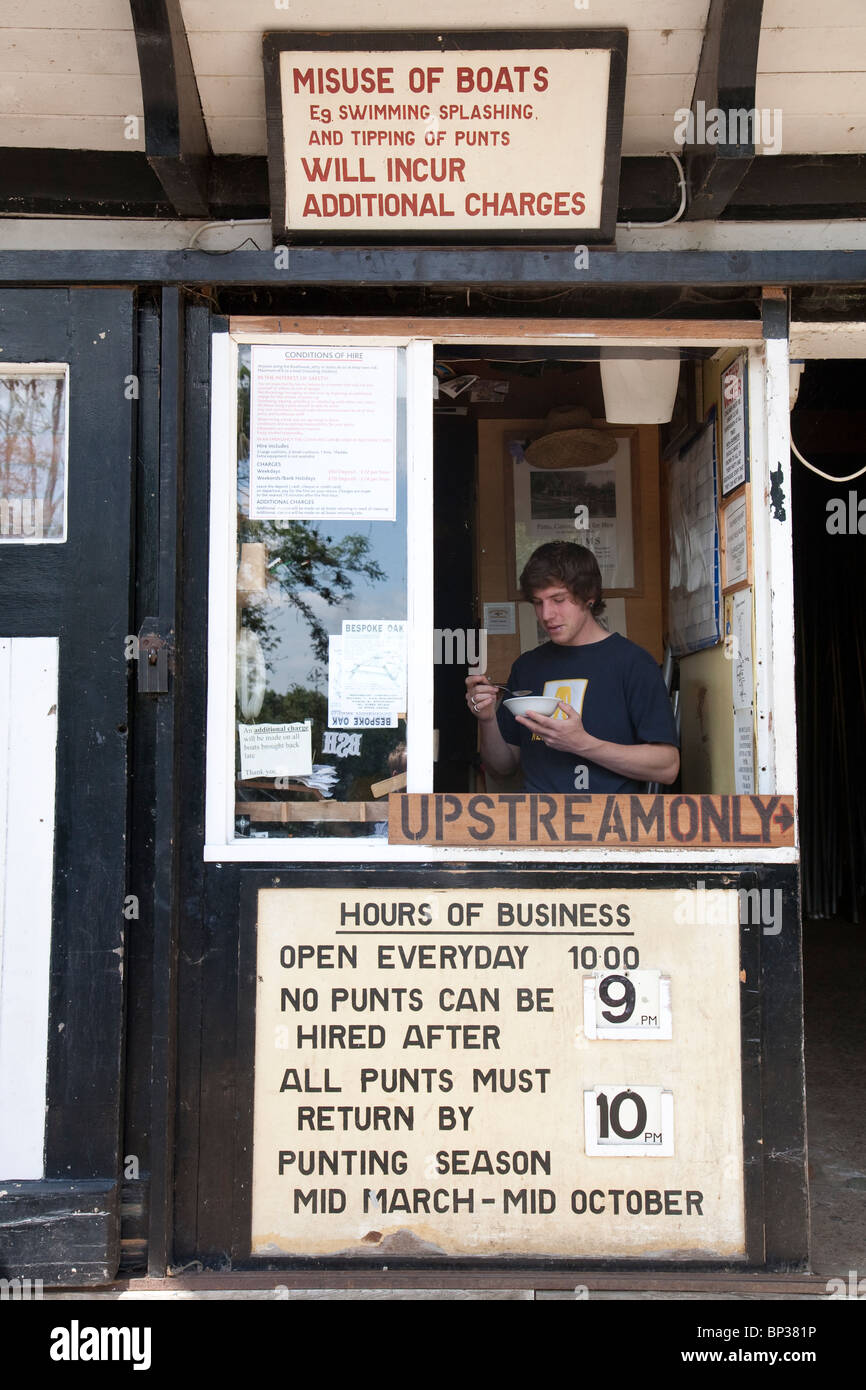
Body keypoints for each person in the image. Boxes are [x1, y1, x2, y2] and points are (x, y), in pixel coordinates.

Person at [465, 541, 679, 793]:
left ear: (589, 596)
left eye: (558, 599)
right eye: (538, 602)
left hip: (612, 824)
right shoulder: (527, 666)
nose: (546, 614)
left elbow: (667, 767)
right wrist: (487, 719)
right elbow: (503, 768)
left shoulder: (632, 662)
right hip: (537, 822)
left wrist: (581, 743)